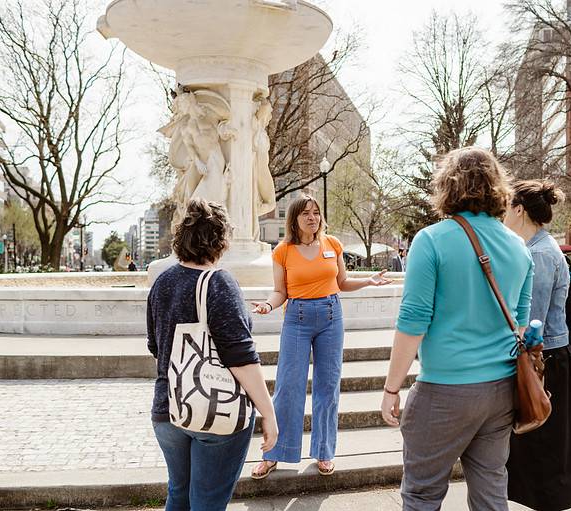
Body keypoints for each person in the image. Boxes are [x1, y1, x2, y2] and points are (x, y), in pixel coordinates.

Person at [381, 147, 534, 511]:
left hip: (443, 390)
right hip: (500, 390)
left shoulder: (432, 240)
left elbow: (413, 322)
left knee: (421, 495)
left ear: (447, 186)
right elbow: (522, 323)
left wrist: (391, 388)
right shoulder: (519, 247)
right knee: (491, 493)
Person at [147, 198, 277, 511]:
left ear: (182, 236)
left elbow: (155, 346)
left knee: (178, 495)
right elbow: (242, 359)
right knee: (207, 503)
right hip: (214, 412)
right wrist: (269, 413)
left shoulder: (161, 282)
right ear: (221, 240)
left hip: (167, 408)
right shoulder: (219, 282)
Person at [250, 194, 392, 479]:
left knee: (328, 387)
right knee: (288, 387)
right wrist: (268, 304)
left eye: (315, 213)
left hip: (331, 317)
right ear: (294, 219)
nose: (312, 218)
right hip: (297, 319)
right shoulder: (283, 250)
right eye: (306, 214)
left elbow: (342, 282)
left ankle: (324, 452)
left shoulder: (332, 244)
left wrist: (369, 280)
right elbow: (281, 292)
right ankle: (273, 454)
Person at [504, 180, 571, 511]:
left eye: (505, 209)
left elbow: (531, 321)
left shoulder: (539, 254)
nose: (502, 216)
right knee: (547, 450)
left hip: (546, 363)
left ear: (519, 210)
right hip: (553, 360)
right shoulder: (540, 249)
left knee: (545, 451)